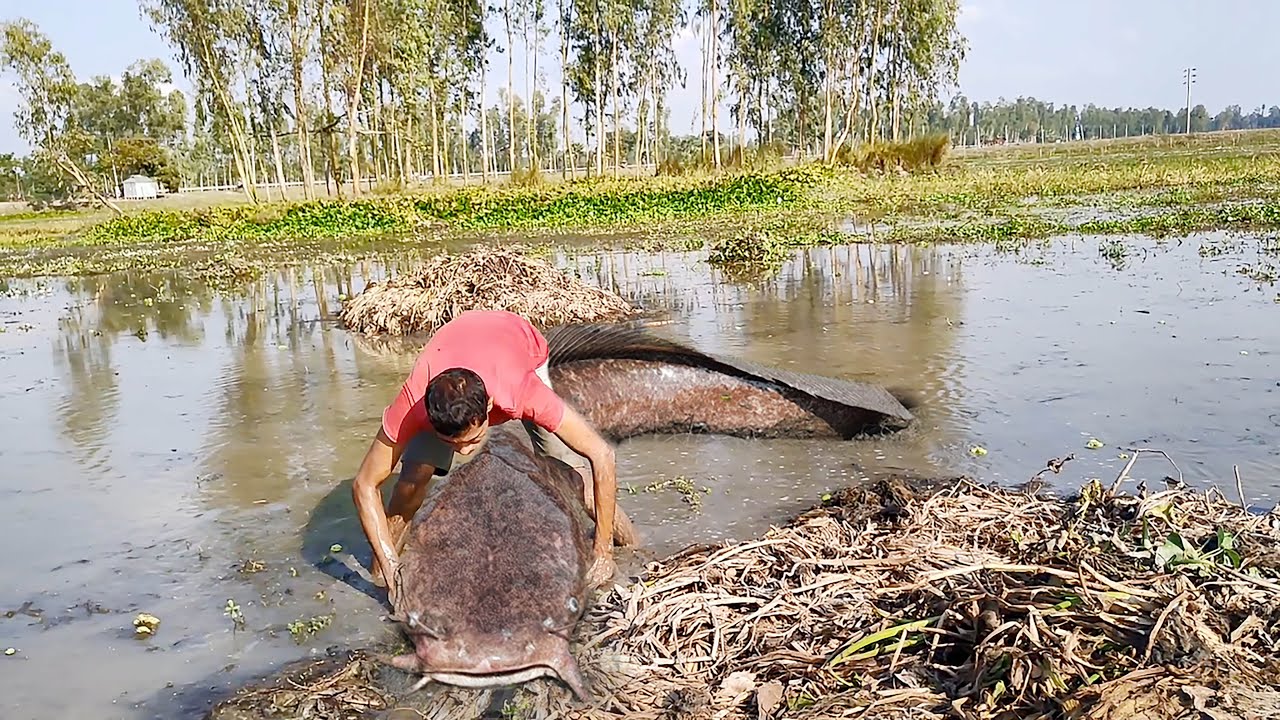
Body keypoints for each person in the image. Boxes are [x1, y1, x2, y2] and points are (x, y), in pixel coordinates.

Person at [350, 309, 638, 607]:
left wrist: (603, 553)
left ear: (489, 406)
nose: (464, 452)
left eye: (473, 440)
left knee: (572, 478)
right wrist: (392, 574)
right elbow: (364, 485)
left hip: (519, 344)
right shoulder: (413, 403)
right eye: (451, 443)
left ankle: (633, 547)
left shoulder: (523, 391)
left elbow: (602, 454)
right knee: (411, 481)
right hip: (453, 345)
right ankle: (382, 578)